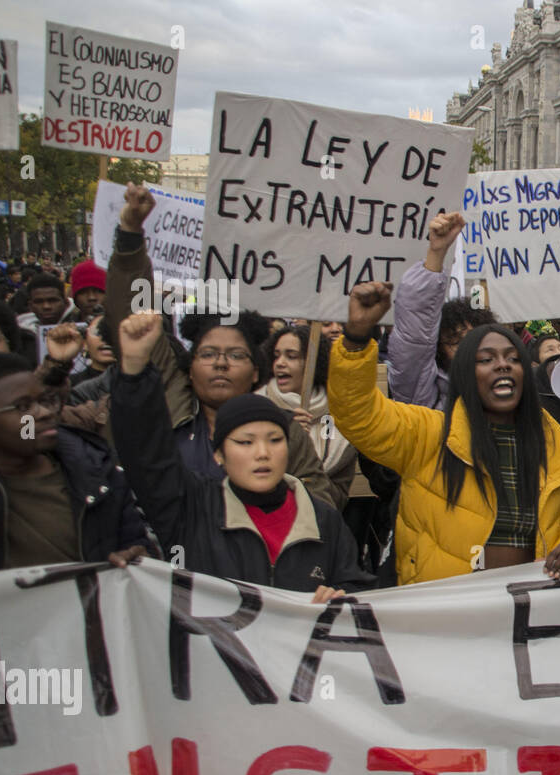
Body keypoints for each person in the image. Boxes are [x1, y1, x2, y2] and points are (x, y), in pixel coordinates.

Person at [87, 183, 342, 510]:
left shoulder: (286, 430)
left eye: (236, 355)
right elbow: (131, 314)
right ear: (190, 368)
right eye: (208, 354)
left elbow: (320, 511)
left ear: (255, 373)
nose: (221, 364)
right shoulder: (167, 400)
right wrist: (131, 235)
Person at [329, 281, 560, 586]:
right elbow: (357, 414)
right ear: (463, 373)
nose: (502, 365)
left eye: (512, 357)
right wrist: (356, 340)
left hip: (525, 609)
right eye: (486, 359)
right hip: (447, 617)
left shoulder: (553, 440)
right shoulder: (428, 435)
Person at [110, 312, 370, 599]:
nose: (262, 453)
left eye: (274, 440)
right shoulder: (192, 507)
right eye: (245, 443)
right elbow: (145, 452)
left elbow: (356, 587)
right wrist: (134, 369)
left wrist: (341, 599)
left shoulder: (324, 520)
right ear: (219, 455)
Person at [0, 352, 152, 572]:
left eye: (45, 400)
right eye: (23, 407)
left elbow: (138, 546)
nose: (43, 413)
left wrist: (137, 559)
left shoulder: (97, 470)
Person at [387, 212, 497, 411]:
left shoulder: (516, 399)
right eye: (456, 342)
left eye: (476, 340)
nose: (469, 350)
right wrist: (436, 254)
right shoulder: (425, 401)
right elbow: (415, 339)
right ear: (438, 351)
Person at [258, 325, 359, 498]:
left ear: (314, 362)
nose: (280, 363)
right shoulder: (257, 406)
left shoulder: (340, 416)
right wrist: (290, 440)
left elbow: (337, 494)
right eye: (276, 356)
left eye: (291, 356)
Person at [70, 315, 115, 386]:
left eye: (113, 332)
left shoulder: (138, 385)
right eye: (97, 332)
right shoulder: (69, 384)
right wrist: (59, 361)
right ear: (85, 343)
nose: (105, 338)